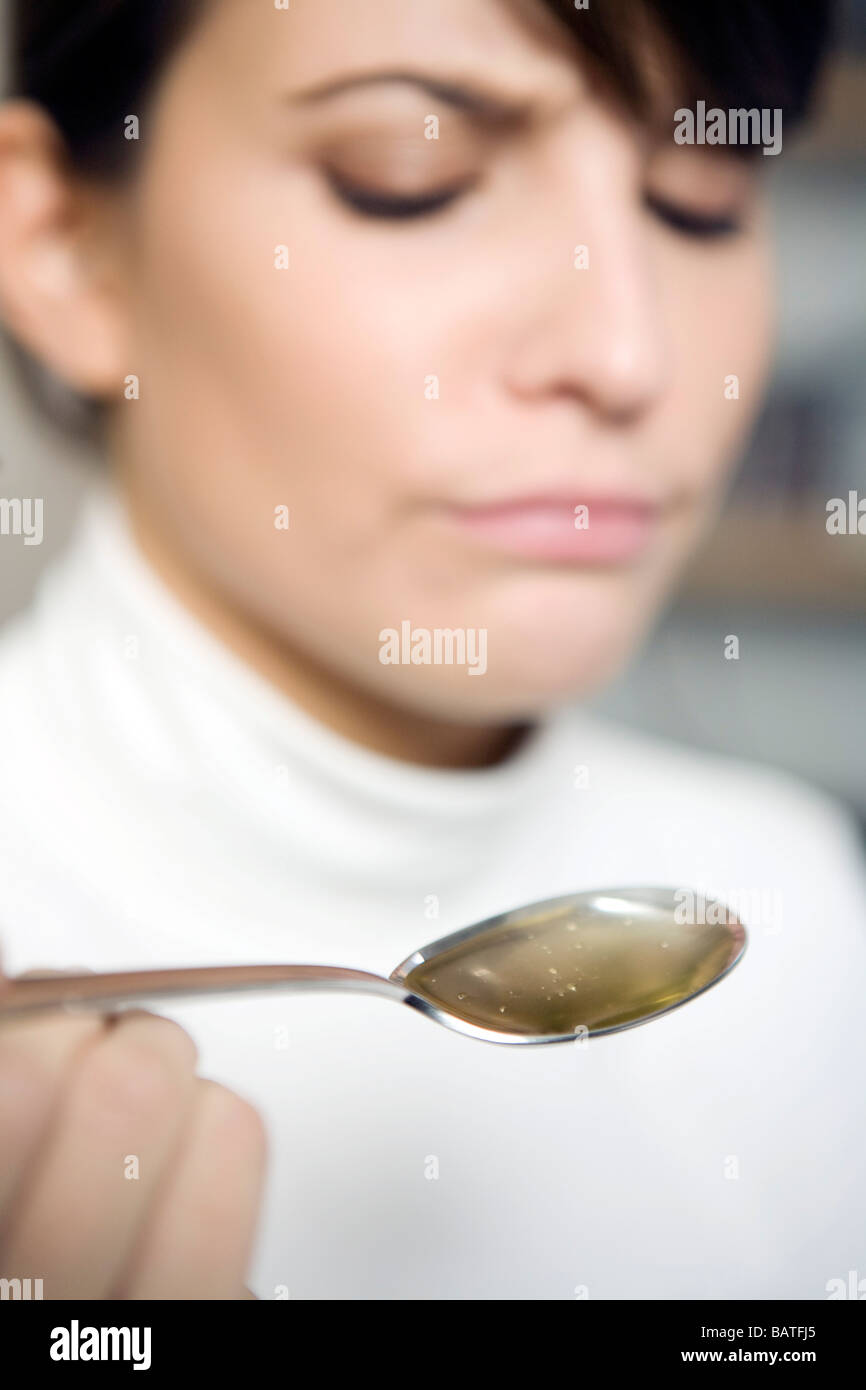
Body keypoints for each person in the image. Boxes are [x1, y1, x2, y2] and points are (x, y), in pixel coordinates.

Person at [0, 0, 863, 1300]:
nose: (626, 354)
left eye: (701, 199)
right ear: (62, 244)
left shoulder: (782, 901)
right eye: (410, 176)